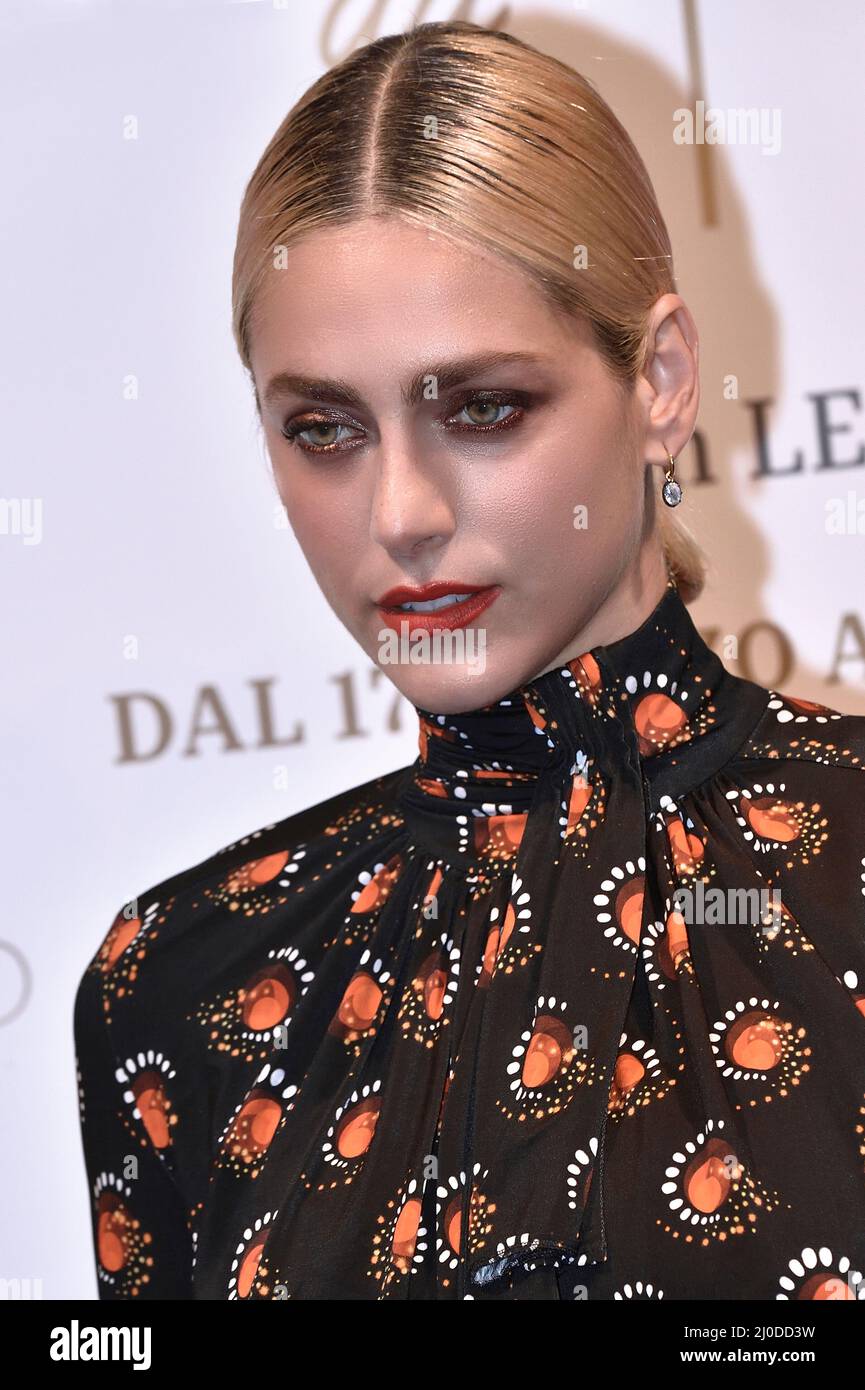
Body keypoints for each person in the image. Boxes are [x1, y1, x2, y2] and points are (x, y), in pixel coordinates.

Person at [73, 20, 865, 1301]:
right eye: (323, 427)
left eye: (480, 407)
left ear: (659, 381)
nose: (400, 513)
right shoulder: (186, 977)